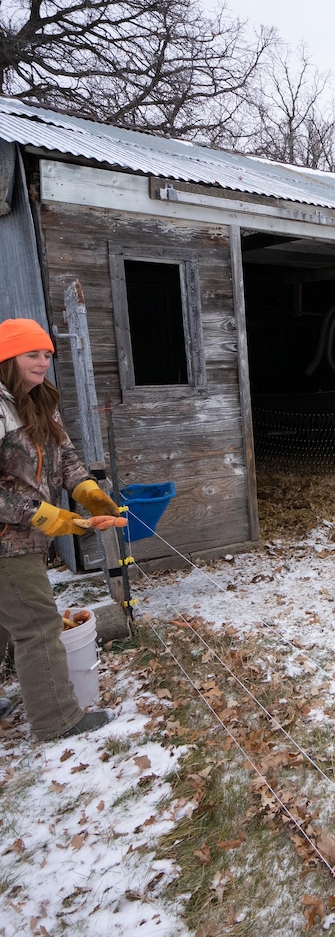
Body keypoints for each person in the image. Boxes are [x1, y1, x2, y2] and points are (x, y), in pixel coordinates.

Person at [0, 317, 123, 740]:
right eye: (32, 354)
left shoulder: (40, 401)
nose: (43, 362)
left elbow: (65, 455)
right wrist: (40, 514)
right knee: (37, 627)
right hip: (7, 543)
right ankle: (57, 721)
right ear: (7, 357)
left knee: (6, 622)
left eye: (47, 355)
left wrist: (86, 489)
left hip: (25, 537)